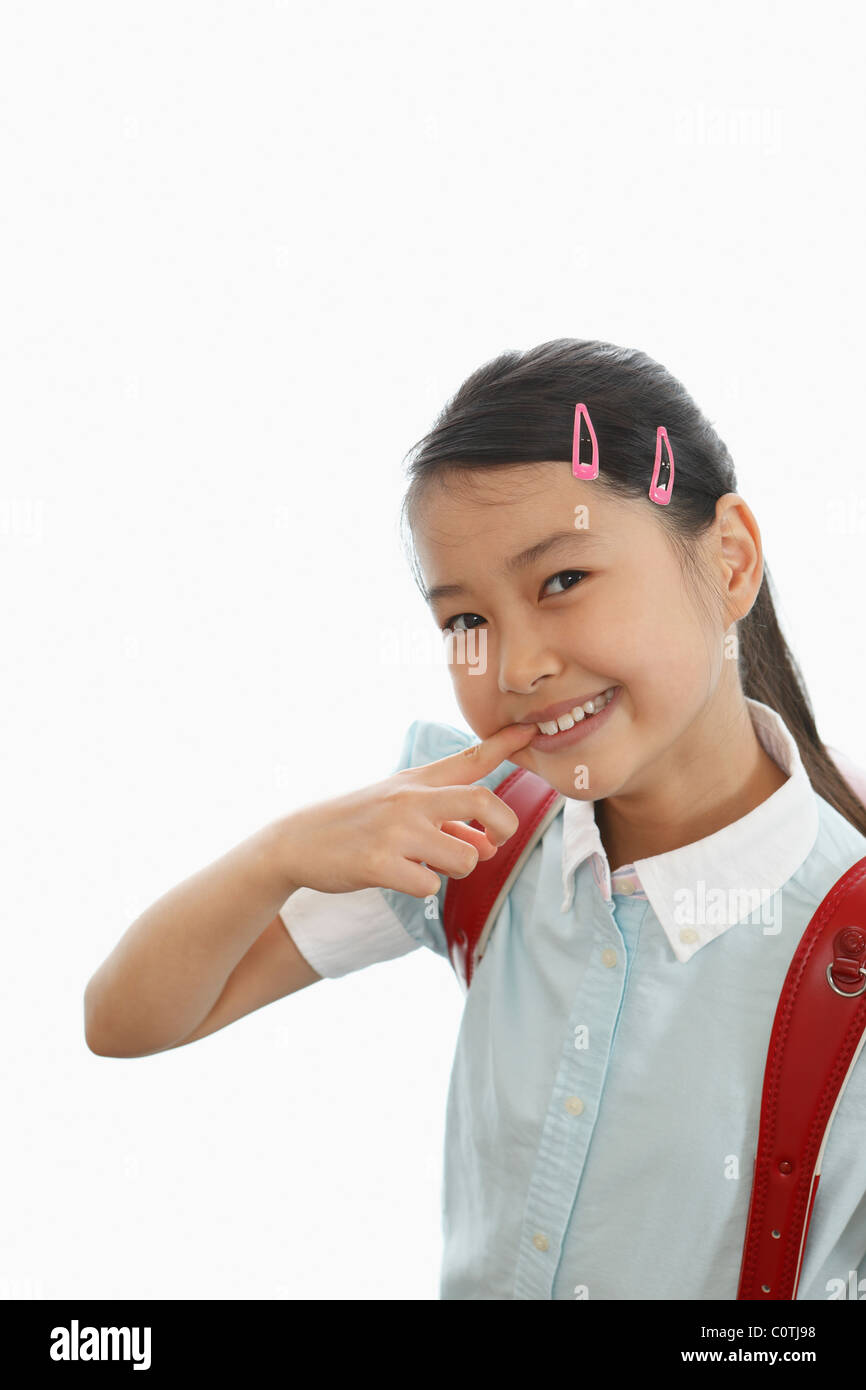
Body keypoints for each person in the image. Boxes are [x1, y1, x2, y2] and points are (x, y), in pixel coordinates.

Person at [84, 337, 866, 1300]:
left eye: (563, 580)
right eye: (465, 621)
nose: (515, 668)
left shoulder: (847, 944)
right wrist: (281, 854)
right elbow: (124, 1021)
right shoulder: (476, 835)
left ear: (731, 560)